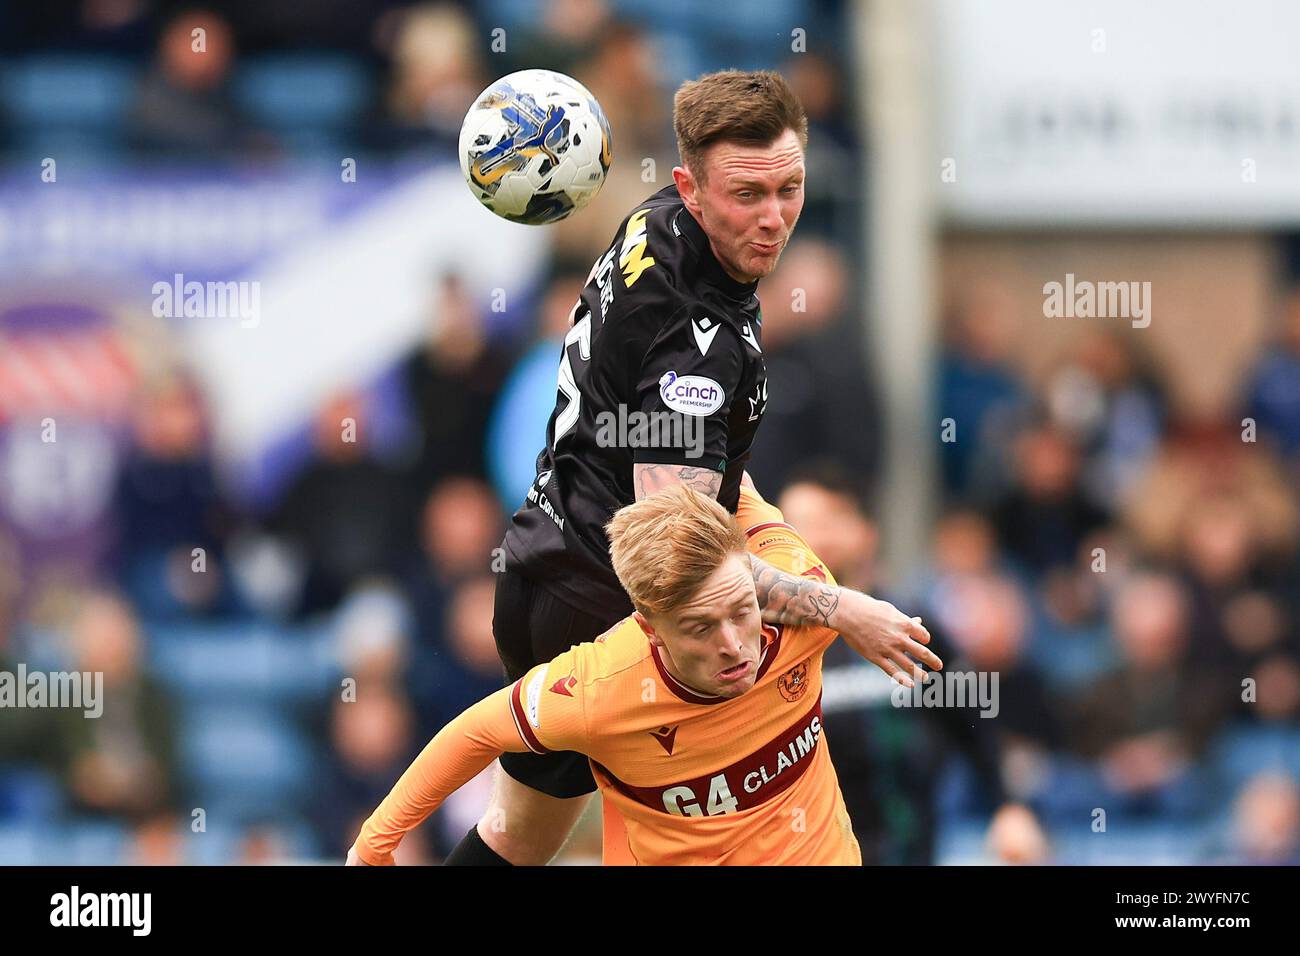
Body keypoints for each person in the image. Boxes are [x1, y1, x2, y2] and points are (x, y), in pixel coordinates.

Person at [448, 69, 933, 866]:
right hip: (612, 615)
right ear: (692, 186)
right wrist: (843, 608)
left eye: (790, 188)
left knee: (516, 838)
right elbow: (682, 562)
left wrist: (757, 511)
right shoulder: (695, 349)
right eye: (748, 195)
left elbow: (688, 476)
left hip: (544, 564)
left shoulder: (658, 222)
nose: (773, 218)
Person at [349, 484, 941, 865]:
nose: (737, 645)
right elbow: (472, 733)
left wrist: (845, 606)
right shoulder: (598, 685)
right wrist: (374, 846)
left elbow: (734, 462)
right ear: (650, 627)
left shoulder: (801, 593)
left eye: (742, 611)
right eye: (702, 629)